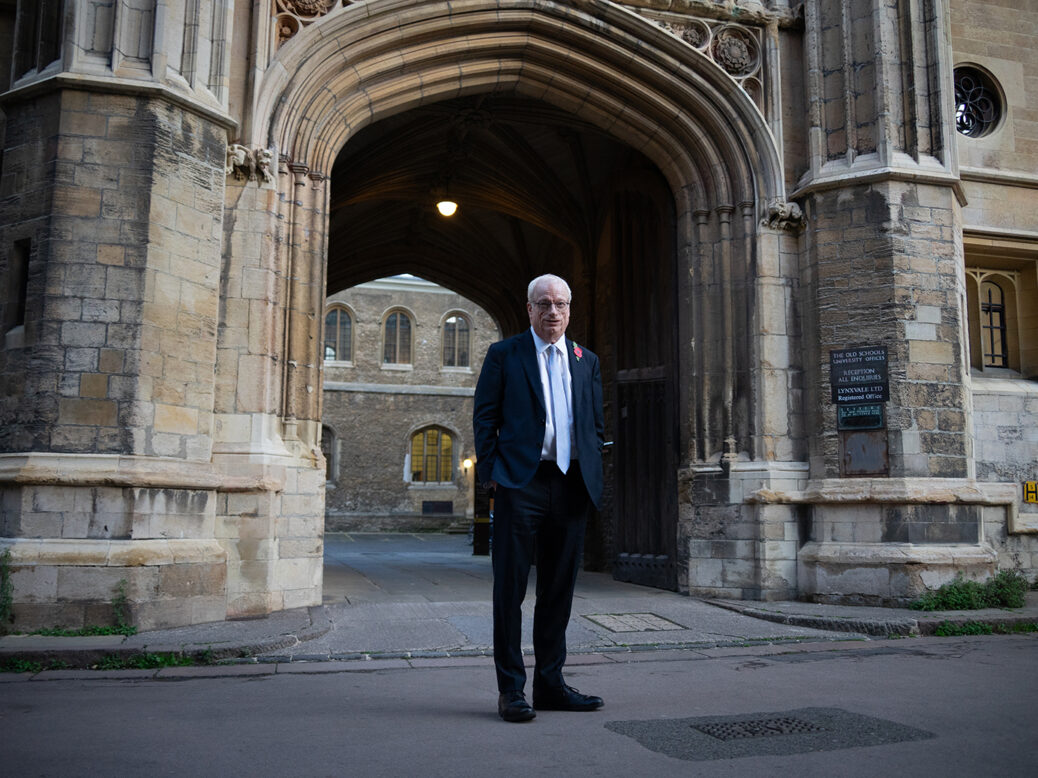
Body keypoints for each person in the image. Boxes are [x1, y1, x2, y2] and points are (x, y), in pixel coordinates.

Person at [473, 274, 605, 723]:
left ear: (570, 310)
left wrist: (592, 470)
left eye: (561, 304)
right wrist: (492, 478)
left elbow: (594, 425)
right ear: (529, 309)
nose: (553, 312)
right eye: (544, 304)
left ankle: (551, 684)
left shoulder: (587, 360)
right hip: (519, 484)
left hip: (570, 485)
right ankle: (511, 690)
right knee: (510, 591)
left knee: (558, 592)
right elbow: (485, 418)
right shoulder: (504, 355)